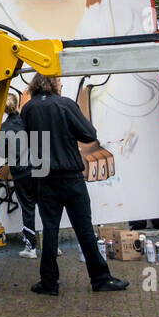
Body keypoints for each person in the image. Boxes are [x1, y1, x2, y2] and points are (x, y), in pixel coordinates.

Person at [20, 73, 129, 295]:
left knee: (50, 231)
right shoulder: (65, 104)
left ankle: (49, 283)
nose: (61, 83)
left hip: (44, 178)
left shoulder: (29, 109)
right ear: (51, 82)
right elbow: (89, 134)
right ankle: (100, 279)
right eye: (59, 81)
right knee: (84, 230)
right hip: (70, 177)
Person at [0, 91, 39, 258]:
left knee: (27, 208)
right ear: (17, 104)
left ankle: (31, 248)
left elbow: (1, 152)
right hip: (36, 168)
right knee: (46, 206)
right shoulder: (26, 120)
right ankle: (53, 244)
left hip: (21, 172)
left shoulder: (4, 127)